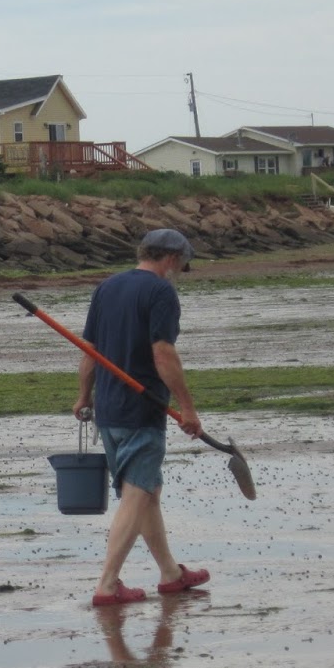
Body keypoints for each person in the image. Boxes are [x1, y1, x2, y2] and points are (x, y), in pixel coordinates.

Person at [72, 228, 209, 605]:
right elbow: (163, 354)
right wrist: (187, 407)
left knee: (147, 491)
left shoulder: (107, 287)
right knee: (137, 494)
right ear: (171, 258)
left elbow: (90, 351)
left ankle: (170, 573)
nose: (180, 271)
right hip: (141, 408)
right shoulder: (160, 291)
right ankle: (108, 584)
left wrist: (84, 396)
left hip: (108, 409)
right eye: (182, 264)